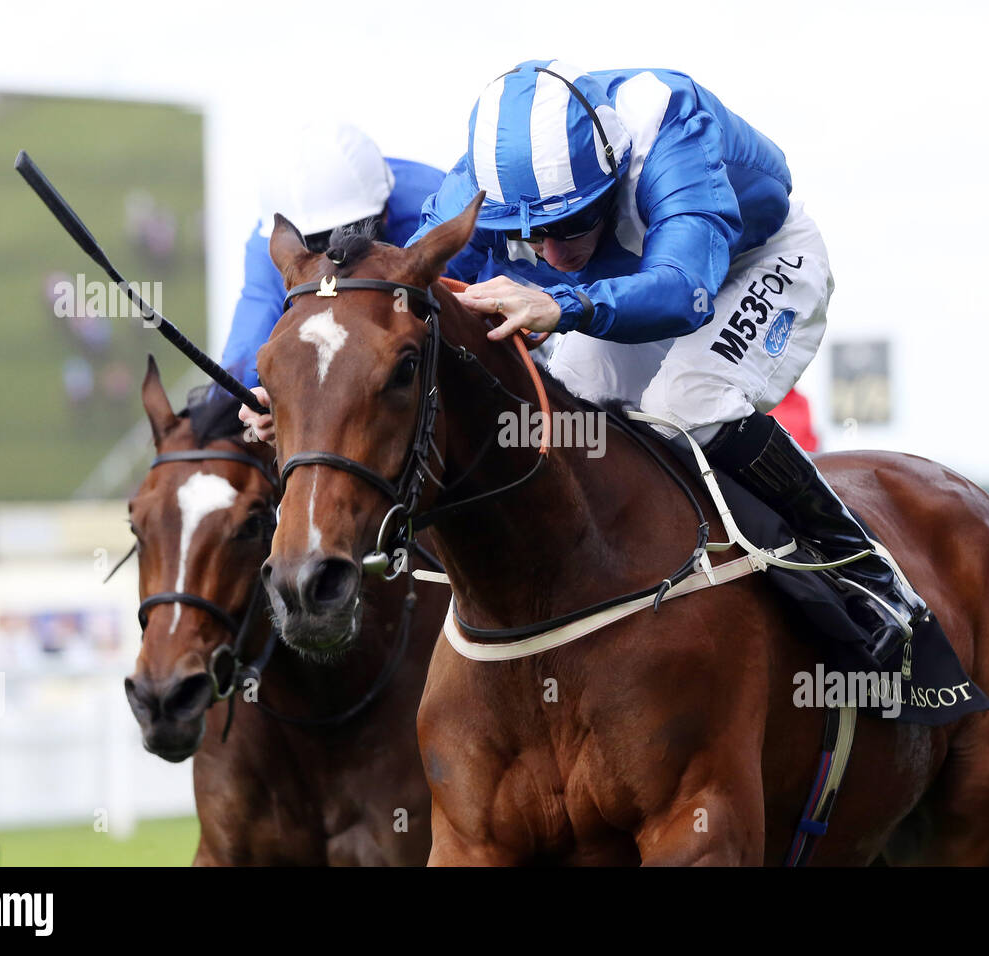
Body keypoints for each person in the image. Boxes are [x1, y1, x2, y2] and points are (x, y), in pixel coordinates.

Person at [408, 60, 927, 650]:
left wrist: (565, 306)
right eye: (531, 234)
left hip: (747, 265)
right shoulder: (486, 176)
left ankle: (860, 568)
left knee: (687, 399)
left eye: (573, 222)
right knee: (574, 411)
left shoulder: (667, 124)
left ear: (609, 169)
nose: (552, 253)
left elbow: (686, 290)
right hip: (629, 287)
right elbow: (394, 289)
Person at [229, 123, 445, 437]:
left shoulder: (432, 205)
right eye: (317, 248)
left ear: (385, 215)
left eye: (351, 237)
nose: (336, 261)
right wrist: (261, 397)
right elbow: (244, 355)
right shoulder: (270, 247)